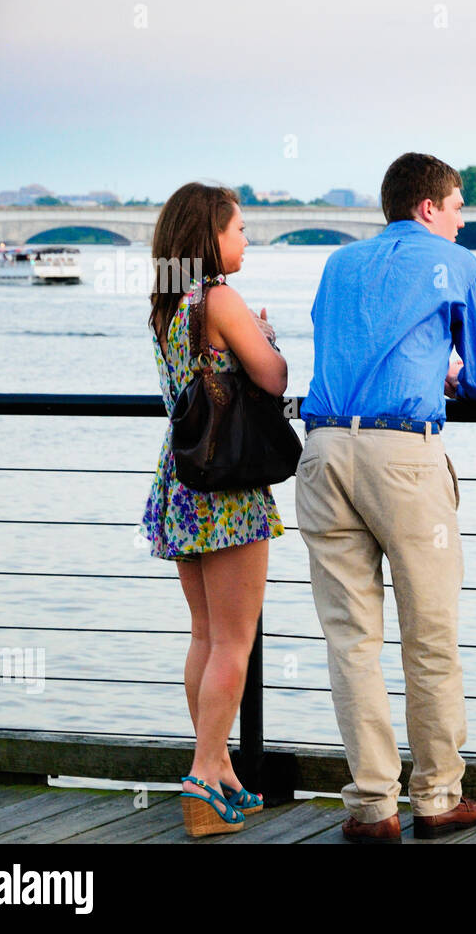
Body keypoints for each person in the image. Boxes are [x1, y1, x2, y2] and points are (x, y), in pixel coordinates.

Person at [296, 152, 476, 843]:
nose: (460, 222)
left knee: (350, 642)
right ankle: (438, 798)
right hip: (403, 461)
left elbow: (347, 347)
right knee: (430, 633)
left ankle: (371, 808)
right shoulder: (461, 266)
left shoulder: (337, 265)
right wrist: (449, 372)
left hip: (324, 453)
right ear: (428, 208)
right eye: (457, 208)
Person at [141, 182, 289, 836]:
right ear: (210, 237)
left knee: (205, 635)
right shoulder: (221, 299)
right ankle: (204, 775)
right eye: (239, 229)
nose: (247, 239)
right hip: (226, 489)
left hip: (181, 480)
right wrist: (265, 336)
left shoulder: (170, 307)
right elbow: (274, 377)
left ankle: (221, 766)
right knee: (235, 639)